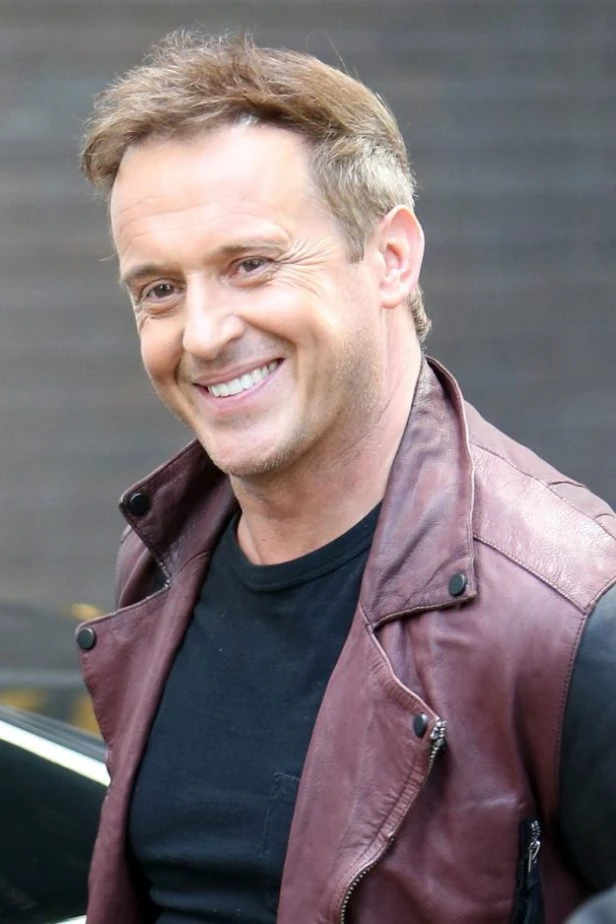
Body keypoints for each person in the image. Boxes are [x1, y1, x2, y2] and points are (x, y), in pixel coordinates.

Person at [76, 30, 616, 924]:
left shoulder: (571, 610)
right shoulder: (159, 561)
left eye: (250, 265)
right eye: (159, 289)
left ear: (391, 257)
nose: (203, 333)